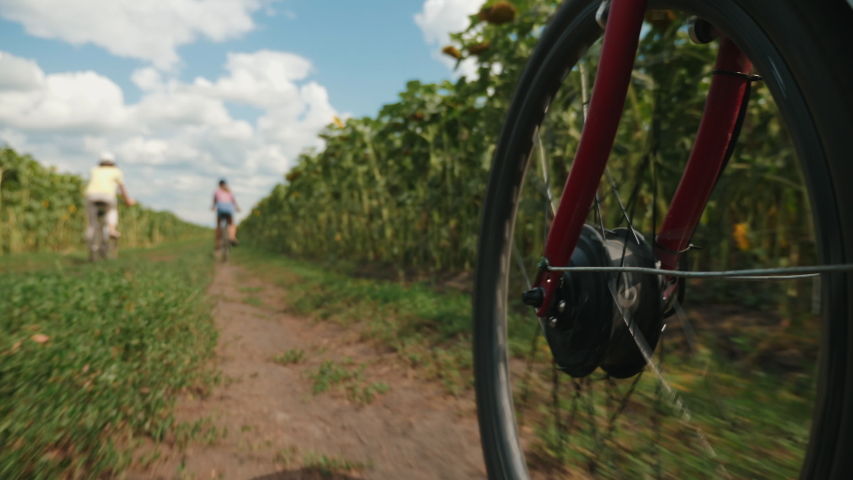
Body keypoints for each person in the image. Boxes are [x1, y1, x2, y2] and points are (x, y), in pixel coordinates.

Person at [84, 152, 135, 254]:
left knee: (92, 223)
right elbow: (121, 188)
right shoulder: (116, 171)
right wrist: (127, 200)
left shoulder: (94, 169)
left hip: (91, 196)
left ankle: (90, 242)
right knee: (112, 210)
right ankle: (112, 230)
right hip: (107, 196)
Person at [212, 179, 241, 248]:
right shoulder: (229, 191)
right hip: (229, 209)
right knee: (231, 224)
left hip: (220, 209)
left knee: (218, 225)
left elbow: (215, 201)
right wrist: (237, 208)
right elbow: (233, 201)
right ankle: (232, 237)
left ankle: (218, 242)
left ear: (219, 185)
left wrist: (213, 207)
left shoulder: (217, 192)